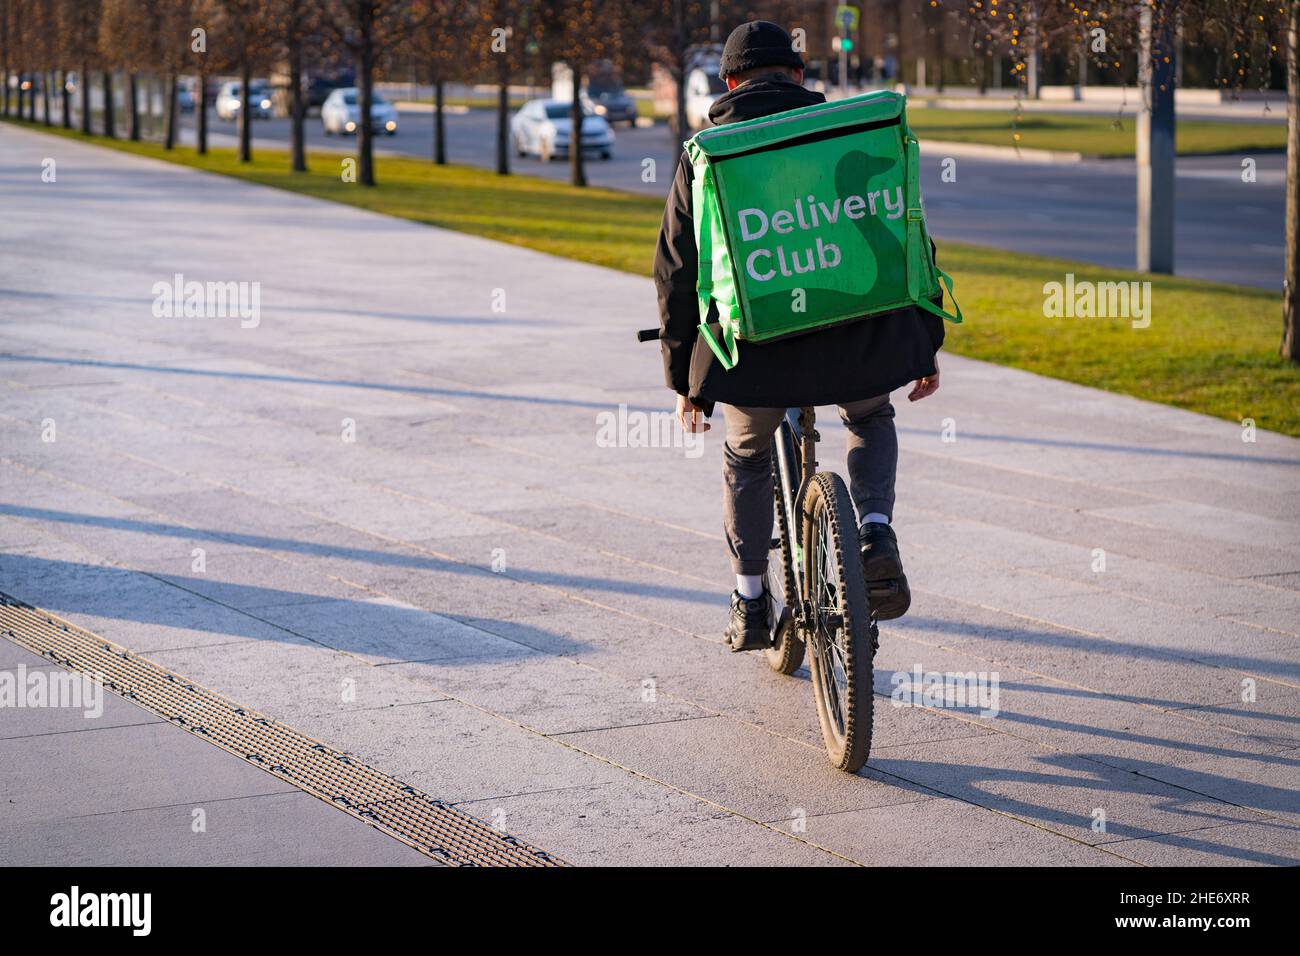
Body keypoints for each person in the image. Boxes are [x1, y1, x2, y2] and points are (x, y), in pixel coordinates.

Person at [652, 20, 946, 652]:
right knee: (868, 416)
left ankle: (751, 600)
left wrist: (685, 382)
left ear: (729, 82)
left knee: (747, 456)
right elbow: (906, 234)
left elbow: (678, 271)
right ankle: (872, 530)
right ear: (800, 75)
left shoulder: (708, 153)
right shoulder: (842, 132)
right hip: (858, 340)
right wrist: (925, 335)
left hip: (757, 356)